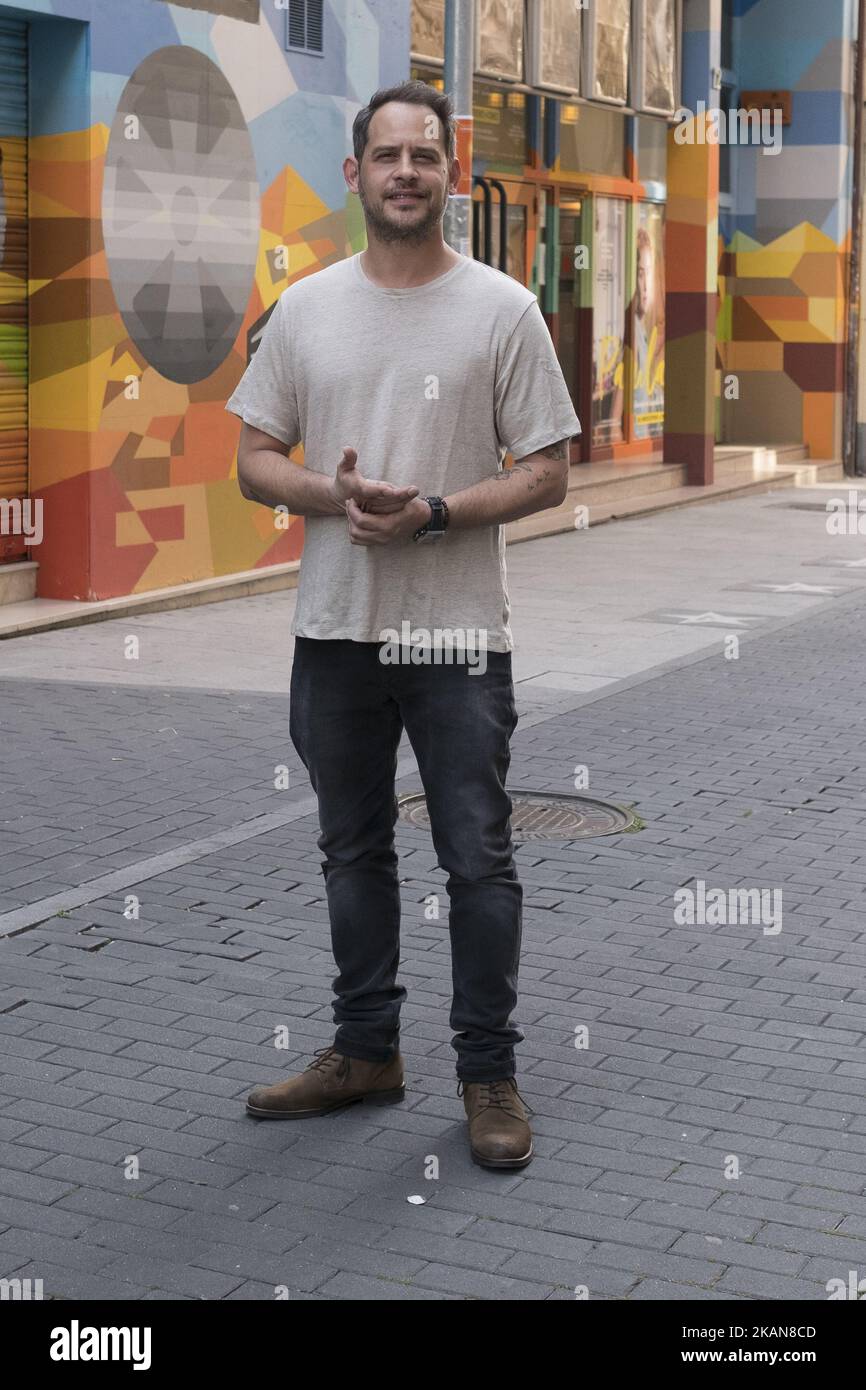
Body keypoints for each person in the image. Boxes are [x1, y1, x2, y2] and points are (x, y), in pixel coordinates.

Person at [225, 79, 580, 1170]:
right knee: (349, 847)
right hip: (335, 628)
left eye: (425, 156)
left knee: (475, 856)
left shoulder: (501, 310)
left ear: (450, 174)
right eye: (387, 156)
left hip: (457, 636)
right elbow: (252, 460)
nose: (406, 173)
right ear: (354, 173)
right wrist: (332, 498)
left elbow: (550, 472)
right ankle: (364, 1049)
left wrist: (433, 513)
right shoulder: (306, 309)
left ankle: (488, 1073)